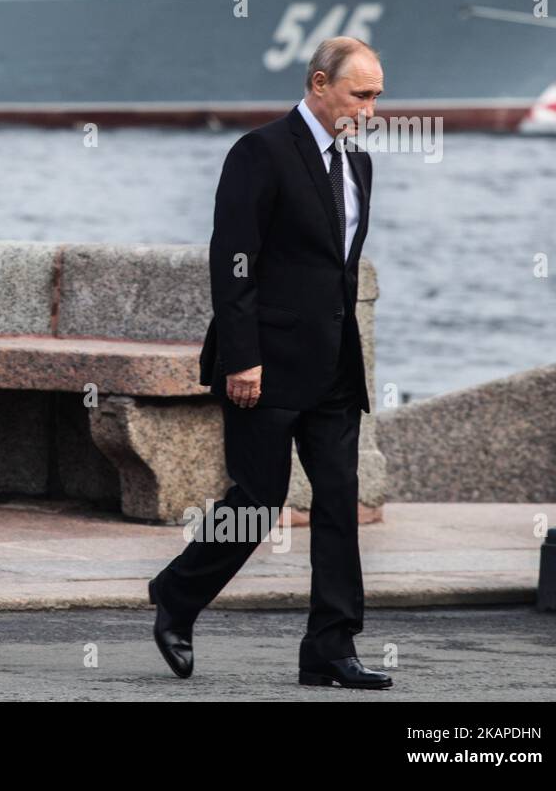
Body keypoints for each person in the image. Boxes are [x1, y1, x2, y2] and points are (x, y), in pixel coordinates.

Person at [150, 36, 390, 689]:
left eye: (377, 97)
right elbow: (233, 261)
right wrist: (242, 358)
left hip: (335, 367)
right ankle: (177, 594)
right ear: (320, 84)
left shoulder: (359, 163)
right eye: (360, 95)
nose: (370, 110)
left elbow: (337, 270)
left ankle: (331, 647)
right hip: (266, 365)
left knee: (338, 502)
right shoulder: (260, 152)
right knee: (258, 502)